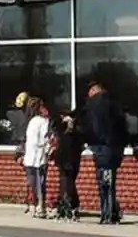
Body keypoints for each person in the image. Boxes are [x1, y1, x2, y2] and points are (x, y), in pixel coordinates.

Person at [83, 79, 129, 225]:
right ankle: (110, 213)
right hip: (111, 146)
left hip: (97, 146)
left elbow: (86, 125)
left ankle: (105, 213)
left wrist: (90, 142)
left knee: (102, 181)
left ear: (94, 90)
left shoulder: (89, 105)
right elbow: (121, 124)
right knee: (109, 182)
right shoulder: (113, 104)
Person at [22, 97, 53, 218]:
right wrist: (48, 150)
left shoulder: (30, 122)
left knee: (33, 184)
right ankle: (40, 206)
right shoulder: (43, 122)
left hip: (30, 157)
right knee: (40, 184)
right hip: (38, 157)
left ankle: (34, 206)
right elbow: (46, 139)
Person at [52, 108, 85, 221]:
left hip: (68, 160)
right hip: (69, 160)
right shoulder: (67, 131)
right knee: (67, 183)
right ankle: (69, 205)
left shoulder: (72, 133)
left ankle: (68, 205)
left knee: (66, 183)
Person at [6, 91, 32, 212]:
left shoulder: (13, 114)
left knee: (29, 174)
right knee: (31, 174)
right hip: (26, 145)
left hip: (21, 145)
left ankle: (28, 200)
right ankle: (30, 199)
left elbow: (7, 112)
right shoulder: (28, 115)